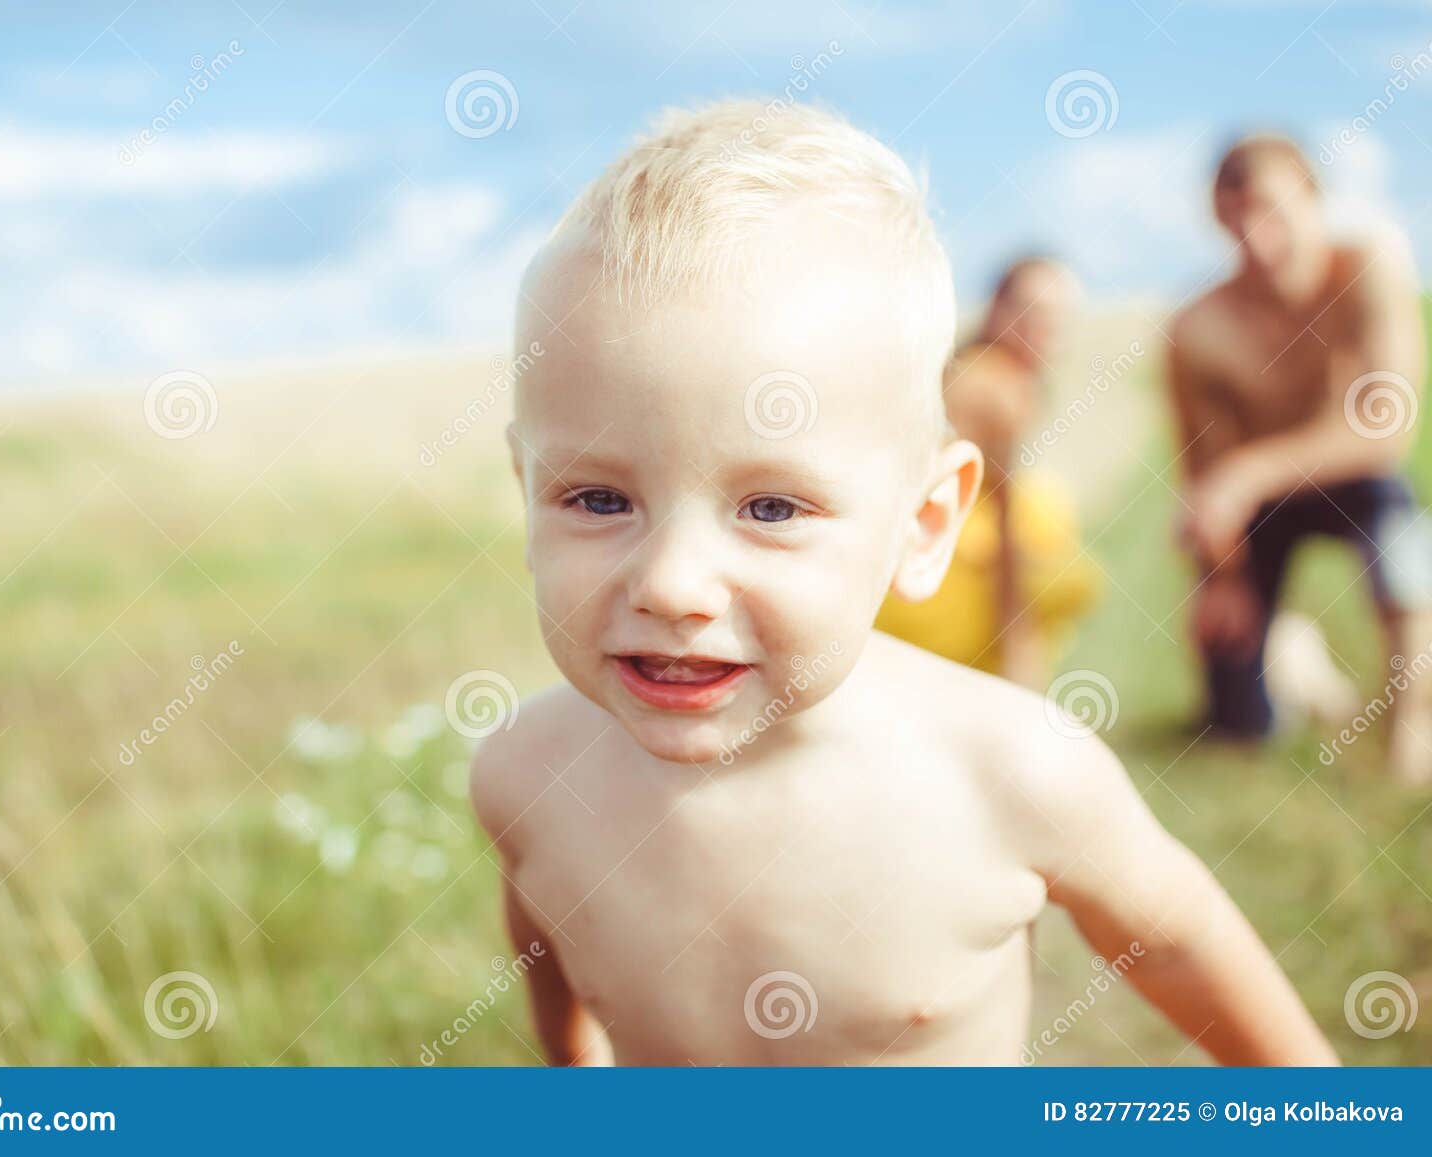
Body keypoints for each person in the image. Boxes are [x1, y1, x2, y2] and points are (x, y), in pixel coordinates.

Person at [471, 101, 1335, 1065]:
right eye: (596, 498)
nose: (672, 586)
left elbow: (1176, 944)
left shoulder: (1009, 770)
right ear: (526, 487)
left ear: (924, 524)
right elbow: (550, 938)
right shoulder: (524, 774)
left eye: (770, 507)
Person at [1166, 133, 1432, 783]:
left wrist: (1249, 471)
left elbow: (1388, 429)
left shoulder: (1368, 270)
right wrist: (1221, 576)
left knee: (1406, 540)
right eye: (1235, 219)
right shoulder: (1197, 327)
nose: (1256, 237)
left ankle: (1415, 721)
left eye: (1273, 210)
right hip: (1259, 511)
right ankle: (1296, 667)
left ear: (1314, 199)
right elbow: (1205, 470)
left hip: (1353, 478)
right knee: (1237, 724)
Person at [874, 257, 1098, 686]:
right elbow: (1004, 520)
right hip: (941, 572)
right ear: (998, 308)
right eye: (1031, 312)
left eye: (1057, 318)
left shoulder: (969, 368)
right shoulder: (995, 387)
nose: (1044, 330)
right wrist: (1018, 645)